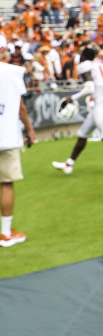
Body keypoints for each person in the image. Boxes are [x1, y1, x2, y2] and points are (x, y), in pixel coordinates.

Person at [51, 45, 103, 176]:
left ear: (83, 57)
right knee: (83, 133)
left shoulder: (84, 66)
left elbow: (90, 89)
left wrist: (72, 98)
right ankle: (69, 164)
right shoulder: (100, 65)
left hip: (101, 102)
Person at [0, 56, 35, 247]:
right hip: (5, 135)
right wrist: (29, 128)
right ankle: (5, 233)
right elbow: (21, 106)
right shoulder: (12, 72)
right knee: (6, 183)